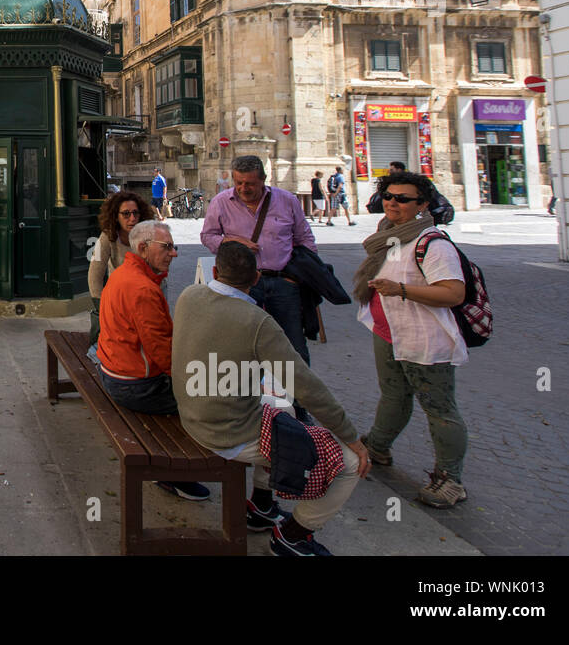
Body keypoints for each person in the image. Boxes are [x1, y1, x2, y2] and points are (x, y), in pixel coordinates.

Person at [173, 241, 370, 556]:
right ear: (256, 279)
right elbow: (306, 385)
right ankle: (293, 536)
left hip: (194, 414)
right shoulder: (257, 322)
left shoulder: (189, 296)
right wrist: (351, 437)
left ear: (214, 271)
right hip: (227, 433)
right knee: (348, 462)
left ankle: (262, 505)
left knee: (285, 409)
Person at [353, 170, 469, 509]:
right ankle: (377, 446)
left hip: (423, 340)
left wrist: (401, 289)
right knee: (393, 395)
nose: (392, 202)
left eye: (402, 198)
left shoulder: (432, 243)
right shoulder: (389, 234)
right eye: (388, 196)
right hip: (388, 333)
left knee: (439, 408)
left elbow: (453, 293)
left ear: (422, 205)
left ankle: (450, 478)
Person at [97, 219, 209, 502]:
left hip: (112, 371)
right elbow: (163, 354)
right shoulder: (142, 289)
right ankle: (179, 471)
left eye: (174, 247)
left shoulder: (124, 274)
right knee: (215, 398)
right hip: (135, 385)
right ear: (144, 249)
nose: (174, 254)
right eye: (167, 247)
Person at [201, 155, 318, 367]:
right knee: (242, 344)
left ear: (263, 180)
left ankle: (301, 398)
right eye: (238, 183)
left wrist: (303, 274)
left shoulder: (286, 201)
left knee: (292, 345)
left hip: (283, 282)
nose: (243, 189)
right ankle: (249, 396)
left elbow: (304, 238)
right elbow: (207, 236)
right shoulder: (221, 202)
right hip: (242, 286)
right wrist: (231, 241)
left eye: (250, 184)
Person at [88, 191, 155, 344]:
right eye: (126, 214)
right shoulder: (107, 236)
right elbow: (94, 274)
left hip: (145, 298)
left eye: (135, 213)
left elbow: (159, 271)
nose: (132, 218)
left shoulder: (149, 235)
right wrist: (101, 307)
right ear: (115, 216)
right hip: (118, 299)